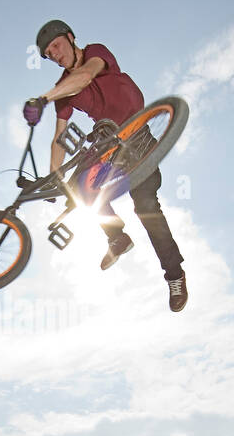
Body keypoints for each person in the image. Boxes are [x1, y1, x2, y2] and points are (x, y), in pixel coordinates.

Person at [23, 19, 187, 312]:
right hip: (110, 146)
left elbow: (86, 76)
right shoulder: (63, 88)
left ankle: (174, 275)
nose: (55, 54)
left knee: (146, 207)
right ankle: (117, 238)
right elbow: (59, 138)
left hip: (139, 139)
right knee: (79, 189)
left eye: (57, 46)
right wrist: (53, 178)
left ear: (71, 38)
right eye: (49, 54)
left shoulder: (96, 52)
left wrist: (43, 98)